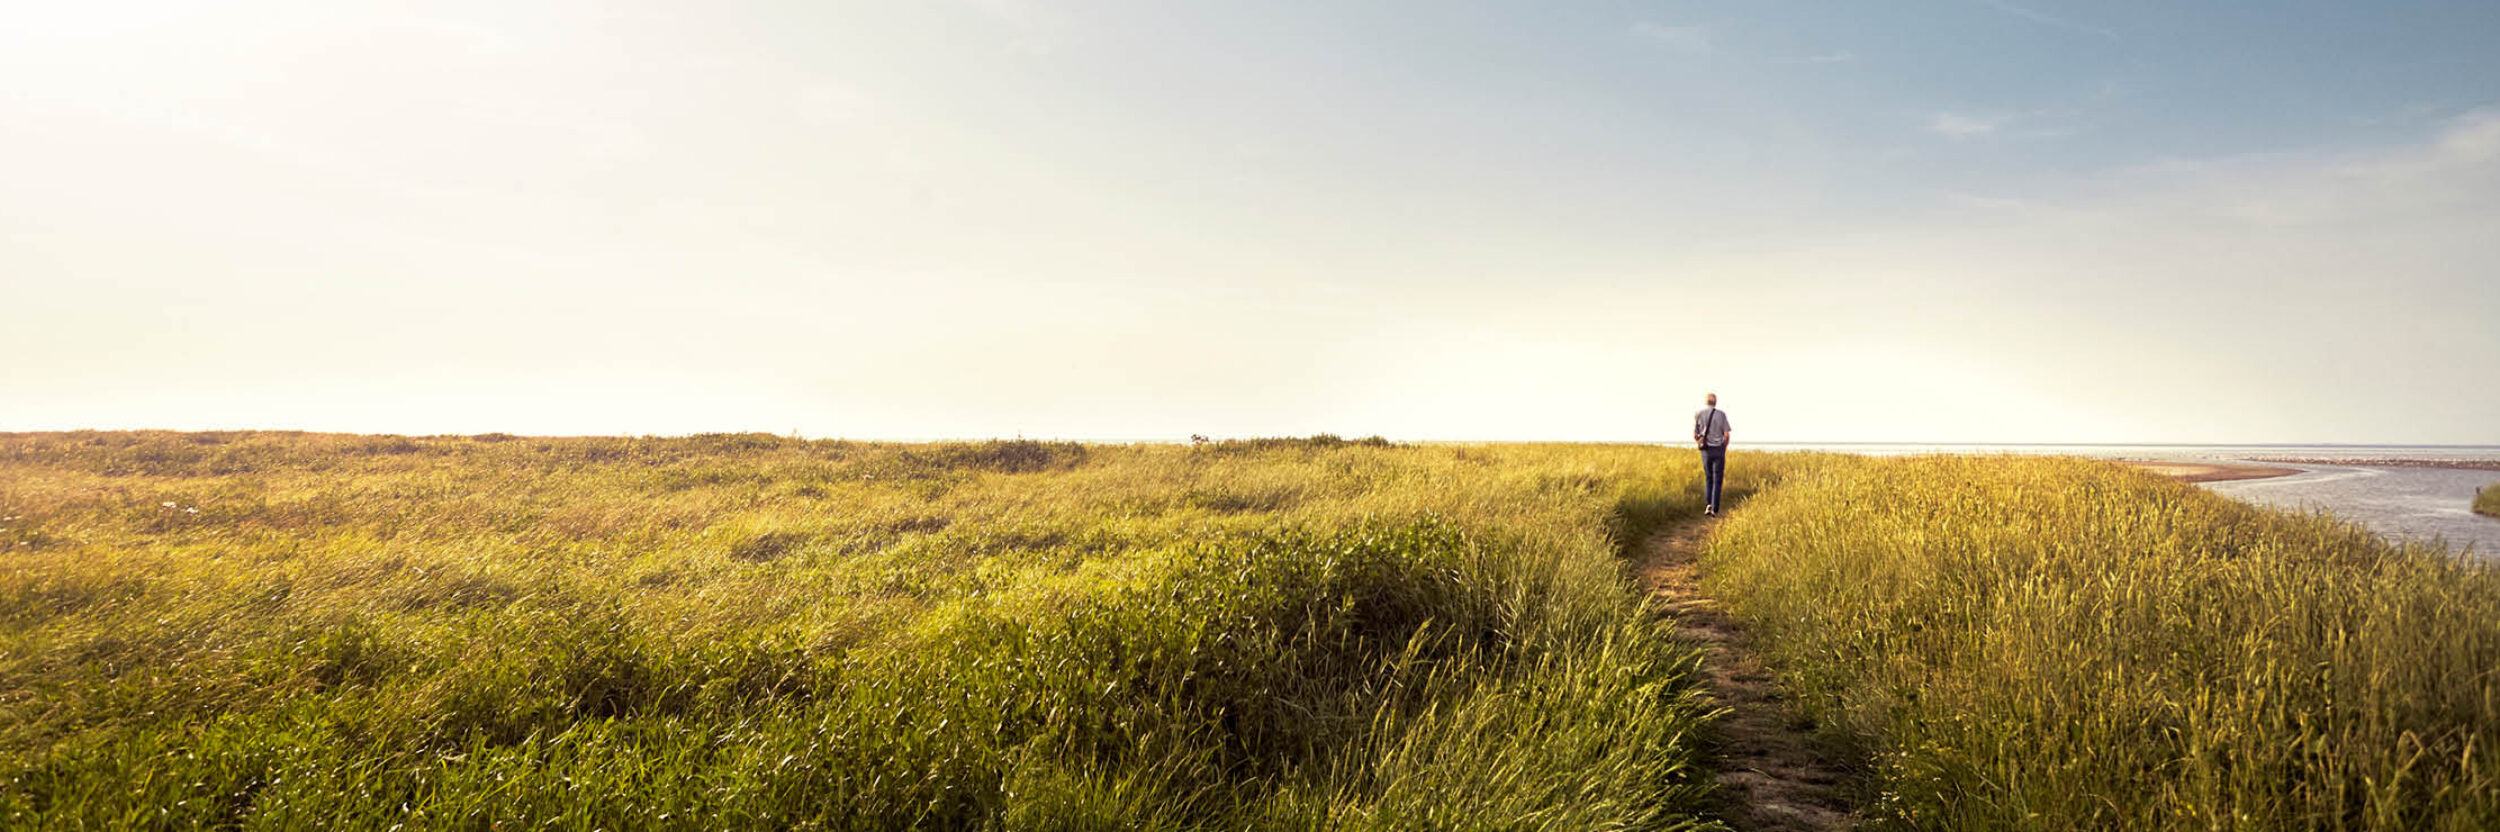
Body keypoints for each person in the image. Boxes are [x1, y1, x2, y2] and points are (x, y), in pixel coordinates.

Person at [1693, 393, 1731, 516]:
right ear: (1715, 402)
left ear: (1706, 402)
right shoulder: (1721, 415)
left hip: (1706, 450)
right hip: (1718, 449)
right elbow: (1726, 435)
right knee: (1717, 479)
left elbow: (1695, 435)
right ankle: (1715, 509)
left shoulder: (1698, 414)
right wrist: (1723, 447)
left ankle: (1708, 504)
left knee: (1708, 477)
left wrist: (1700, 442)